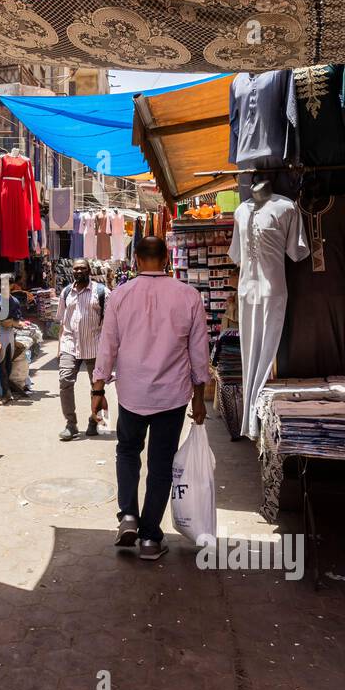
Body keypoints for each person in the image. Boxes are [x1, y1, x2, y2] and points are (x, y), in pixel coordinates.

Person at [92, 236, 209, 560]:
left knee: (127, 452)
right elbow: (199, 354)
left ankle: (128, 515)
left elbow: (108, 345)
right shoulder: (189, 296)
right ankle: (149, 539)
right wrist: (200, 397)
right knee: (160, 465)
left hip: (132, 392)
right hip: (172, 396)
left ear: (137, 260)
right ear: (167, 258)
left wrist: (98, 389)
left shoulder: (120, 295)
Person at [58, 259, 107, 440]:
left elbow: (109, 324)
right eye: (76, 268)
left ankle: (93, 420)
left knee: (97, 388)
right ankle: (71, 424)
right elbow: (63, 322)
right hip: (70, 345)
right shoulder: (66, 293)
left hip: (95, 347)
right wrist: (59, 347)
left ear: (89, 270)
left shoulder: (101, 292)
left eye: (82, 268)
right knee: (65, 380)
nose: (79, 271)